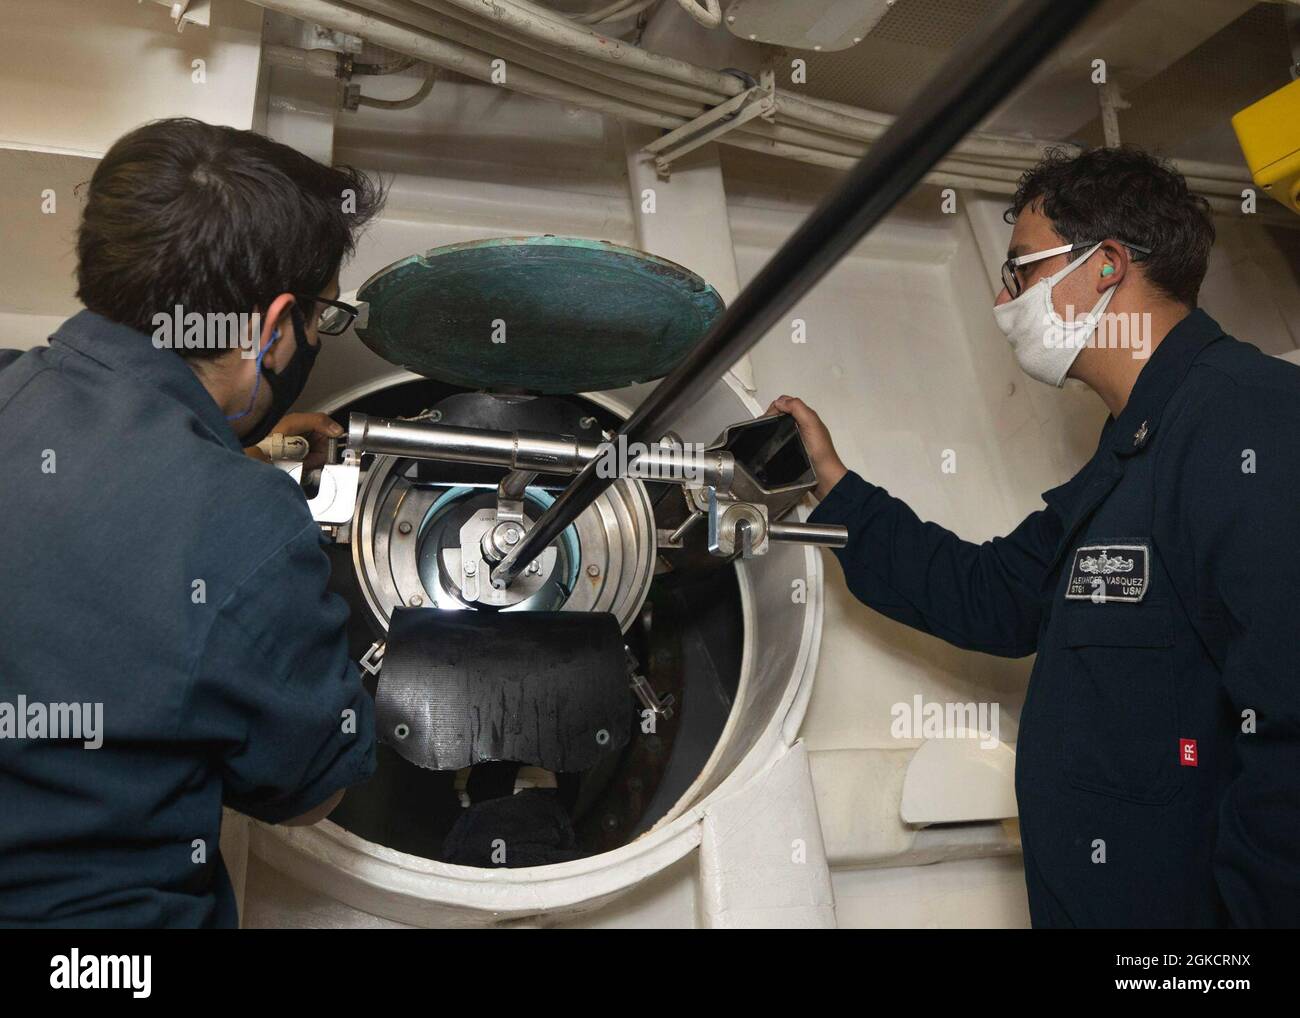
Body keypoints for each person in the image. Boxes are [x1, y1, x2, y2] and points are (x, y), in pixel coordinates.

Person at [774, 145, 1300, 928]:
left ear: (1107, 266)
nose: (1002, 295)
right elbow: (997, 597)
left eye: (1020, 269)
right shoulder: (1130, 450)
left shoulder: (1251, 421)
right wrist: (832, 486)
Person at [0, 118, 385, 927]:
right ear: (272, 330)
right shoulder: (252, 534)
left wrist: (217, 463)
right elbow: (310, 795)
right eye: (321, 316)